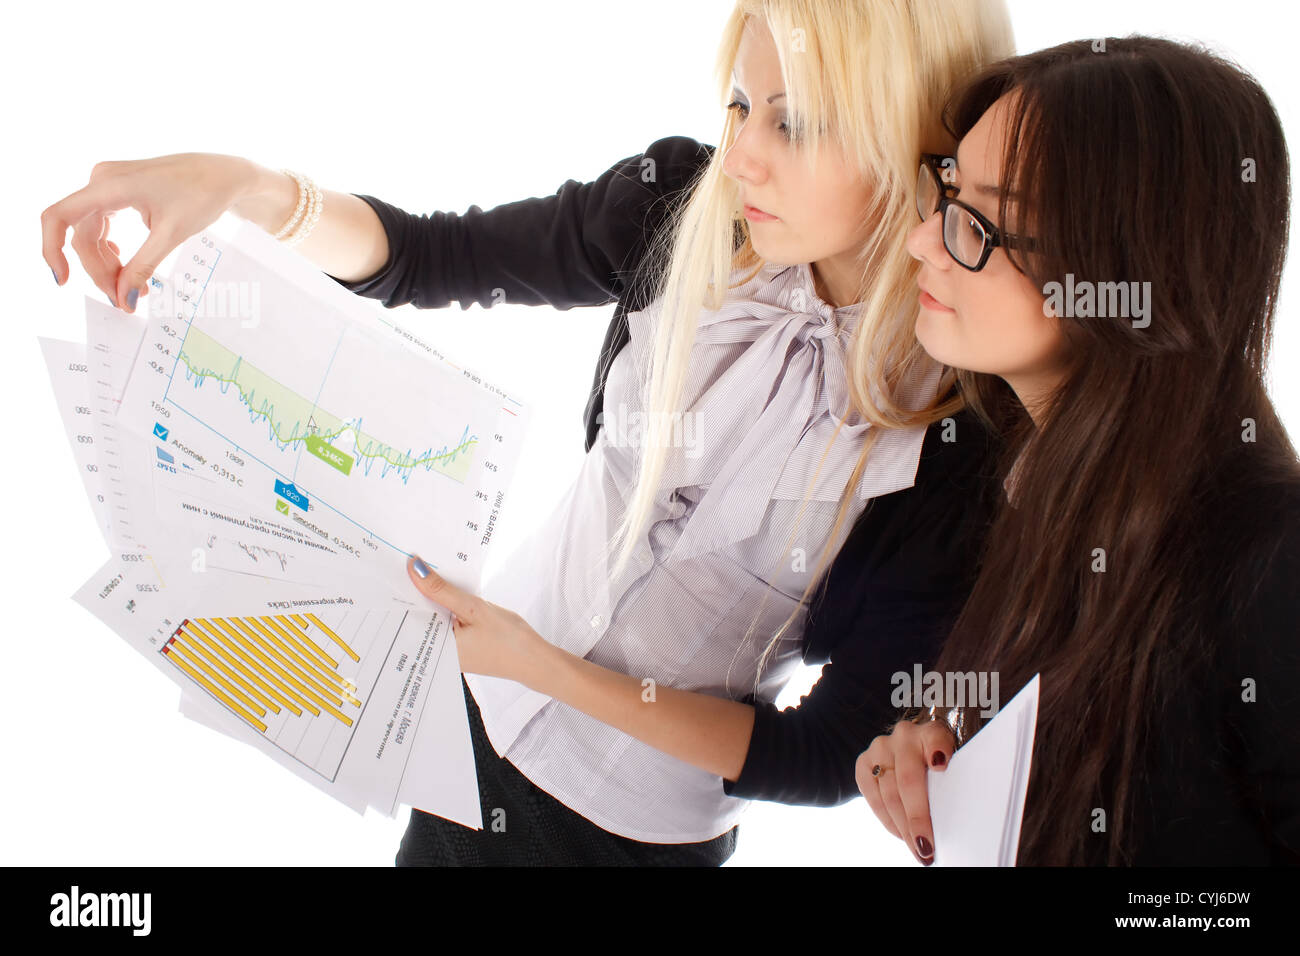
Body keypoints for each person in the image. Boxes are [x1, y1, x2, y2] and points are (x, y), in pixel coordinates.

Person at [42, 0, 1016, 866]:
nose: (743, 153)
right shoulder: (674, 204)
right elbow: (433, 253)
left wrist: (541, 664)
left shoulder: (957, 442)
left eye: (792, 121)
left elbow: (825, 749)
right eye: (737, 104)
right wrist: (248, 186)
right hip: (469, 720)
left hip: (630, 837)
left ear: (917, 142)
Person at [858, 35, 1300, 866]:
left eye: (980, 225)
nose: (923, 242)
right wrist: (940, 751)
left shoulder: (1271, 554)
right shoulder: (1027, 483)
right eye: (947, 190)